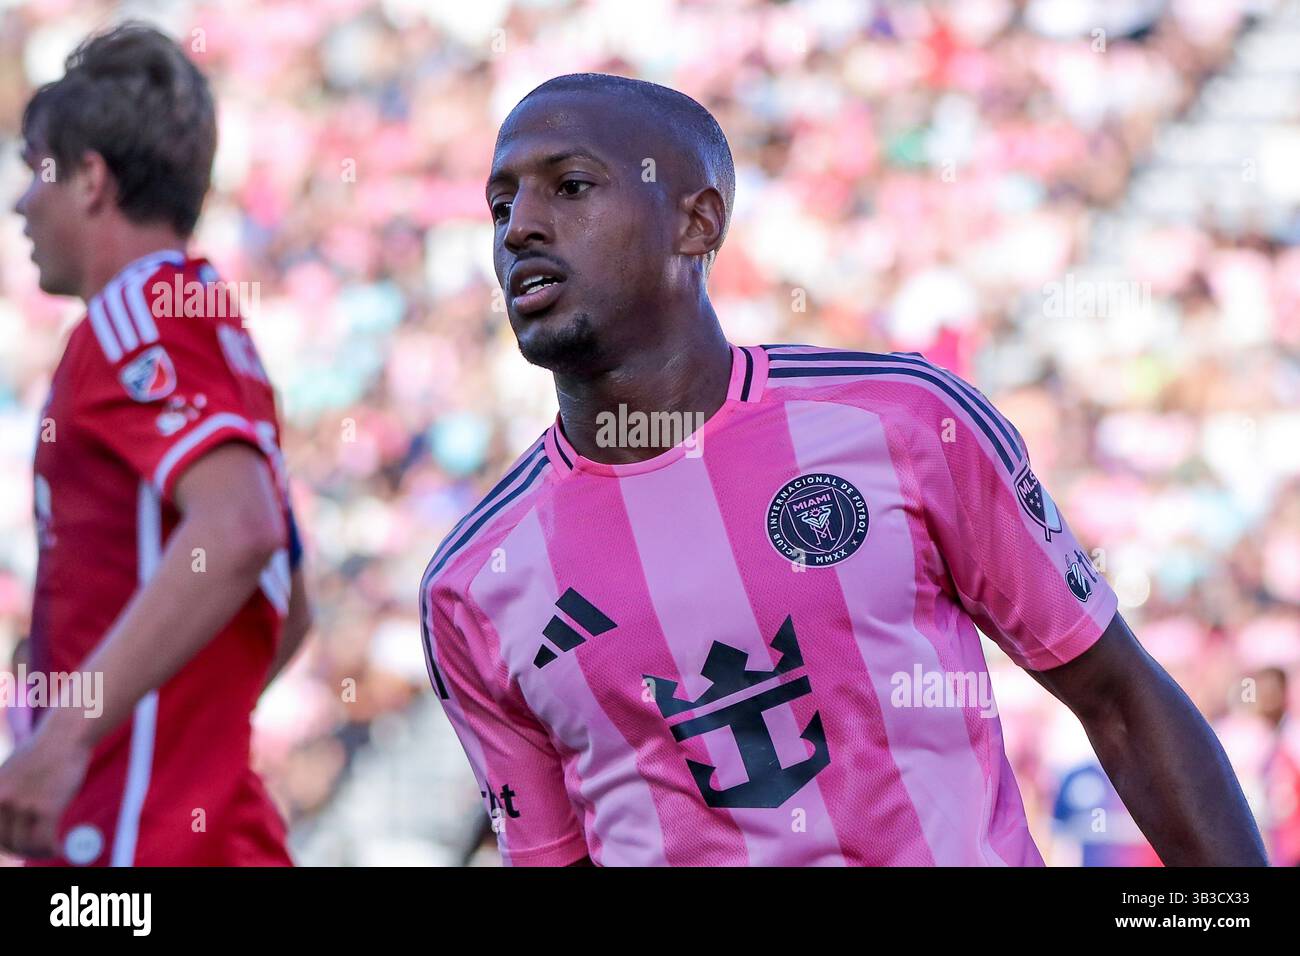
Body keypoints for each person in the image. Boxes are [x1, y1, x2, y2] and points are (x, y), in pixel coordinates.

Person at [418, 73, 1267, 866]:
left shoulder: (902, 424)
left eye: (569, 187)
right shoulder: (470, 584)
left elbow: (1117, 698)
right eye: (500, 204)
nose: (518, 226)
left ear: (696, 222)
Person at [0, 23, 311, 866]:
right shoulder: (206, 320)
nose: (23, 202)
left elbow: (240, 530)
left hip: (143, 845)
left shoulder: (138, 320)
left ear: (91, 178)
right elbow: (290, 605)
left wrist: (72, 734)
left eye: (37, 171)